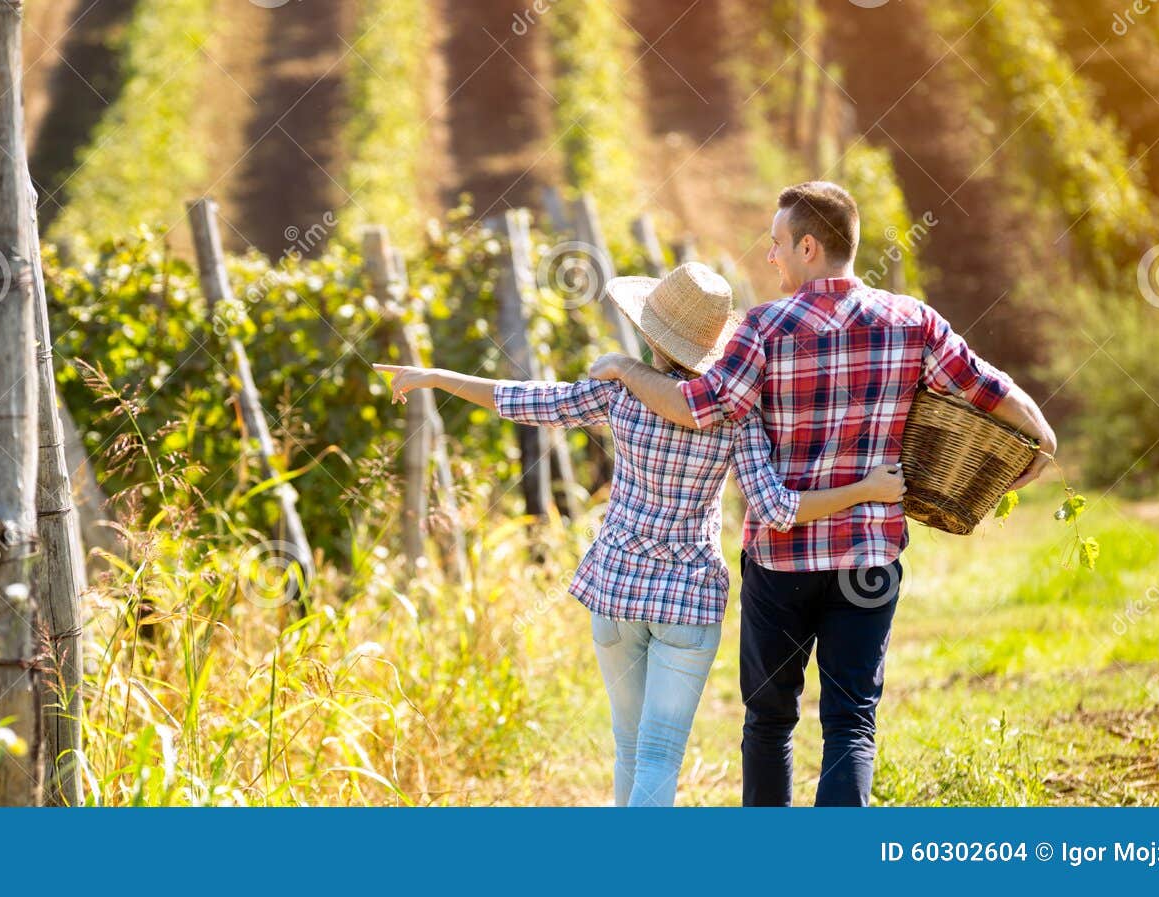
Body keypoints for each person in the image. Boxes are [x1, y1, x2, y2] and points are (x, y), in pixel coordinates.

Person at [590, 181, 1057, 806]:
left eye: (778, 244)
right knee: (850, 724)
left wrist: (625, 368)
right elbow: (984, 385)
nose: (771, 257)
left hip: (781, 559)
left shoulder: (762, 327)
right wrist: (1042, 436)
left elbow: (695, 406)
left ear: (809, 246)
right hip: (869, 558)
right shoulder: (911, 320)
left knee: (769, 724)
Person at [376, 262, 905, 806]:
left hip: (615, 588)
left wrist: (436, 377)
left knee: (628, 747)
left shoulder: (618, 393)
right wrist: (865, 489)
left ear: (650, 332)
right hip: (687, 598)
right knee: (658, 756)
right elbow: (775, 508)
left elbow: (524, 400)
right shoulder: (736, 416)